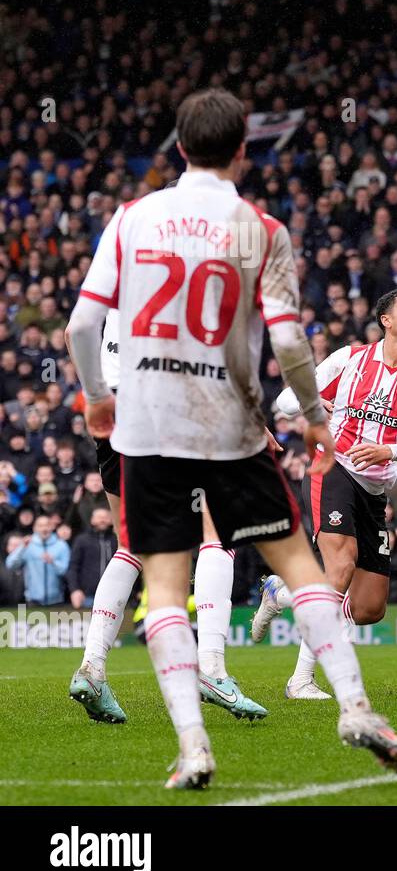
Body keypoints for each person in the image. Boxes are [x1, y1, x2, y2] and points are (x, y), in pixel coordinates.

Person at [65, 87, 397, 788]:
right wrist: (316, 415)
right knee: (298, 567)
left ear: (179, 147)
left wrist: (97, 401)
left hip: (146, 427)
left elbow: (78, 326)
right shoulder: (262, 229)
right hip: (228, 422)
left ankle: (193, 746)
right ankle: (354, 708)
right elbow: (285, 338)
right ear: (245, 151)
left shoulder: (132, 219)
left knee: (163, 584)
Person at [67, 306, 268, 724]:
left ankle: (92, 669)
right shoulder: (188, 267)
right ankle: (211, 668)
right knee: (218, 532)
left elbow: (76, 330)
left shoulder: (120, 264)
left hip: (112, 413)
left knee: (131, 546)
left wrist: (94, 394)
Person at [255, 287, 397, 698]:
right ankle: (300, 680)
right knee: (339, 568)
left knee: (367, 609)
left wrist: (387, 450)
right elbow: (287, 401)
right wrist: (313, 405)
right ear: (386, 320)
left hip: (376, 490)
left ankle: (283, 594)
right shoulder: (350, 359)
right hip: (334, 468)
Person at [7, 513, 70, 606]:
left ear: (52, 527)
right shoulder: (28, 545)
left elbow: (65, 571)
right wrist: (21, 548)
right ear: (34, 528)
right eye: (40, 526)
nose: (44, 529)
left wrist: (53, 562)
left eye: (47, 525)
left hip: (57, 600)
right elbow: (10, 565)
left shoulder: (61, 545)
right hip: (33, 600)